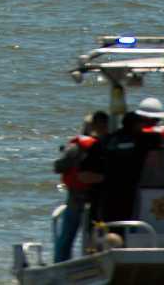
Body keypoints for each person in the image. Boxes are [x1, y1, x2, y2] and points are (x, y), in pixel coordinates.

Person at [95, 101, 164, 232]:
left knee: (111, 221)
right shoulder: (142, 139)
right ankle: (126, 241)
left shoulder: (110, 139)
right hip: (130, 187)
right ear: (136, 125)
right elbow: (160, 140)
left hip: (109, 188)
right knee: (129, 219)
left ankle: (111, 242)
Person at [53, 110, 108, 263]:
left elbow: (58, 166)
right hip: (97, 198)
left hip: (76, 198)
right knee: (96, 235)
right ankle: (95, 261)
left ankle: (61, 262)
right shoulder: (104, 145)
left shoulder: (75, 147)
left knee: (67, 236)